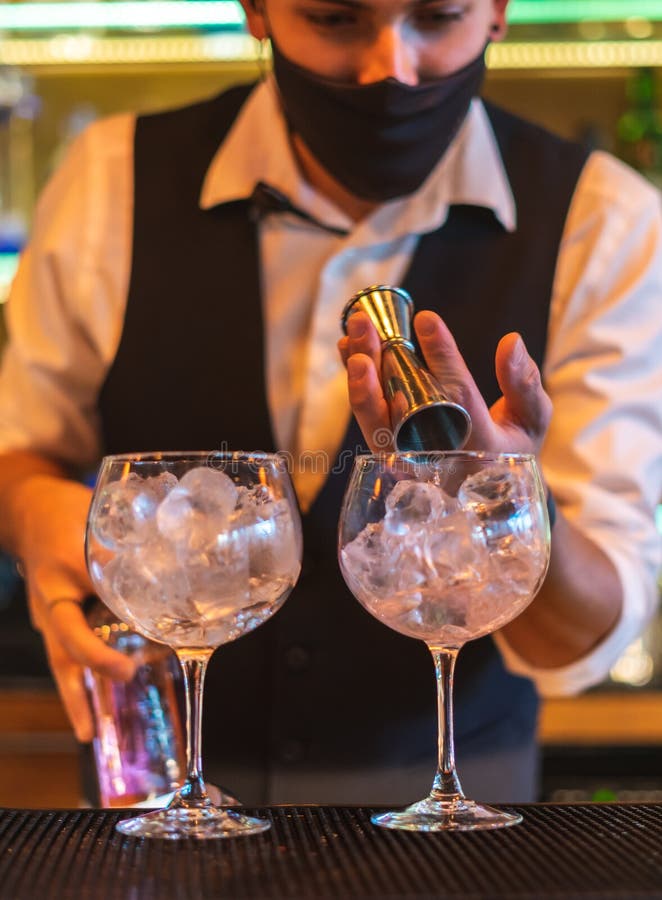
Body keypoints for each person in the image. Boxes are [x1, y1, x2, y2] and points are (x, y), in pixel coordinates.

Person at [0, 0, 661, 805]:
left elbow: (585, 635)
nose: (393, 68)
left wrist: (506, 508)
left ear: (496, 10)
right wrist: (36, 515)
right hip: (152, 806)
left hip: (455, 838)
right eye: (335, 17)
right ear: (255, 9)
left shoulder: (608, 221)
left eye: (438, 16)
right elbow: (22, 445)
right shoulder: (108, 179)